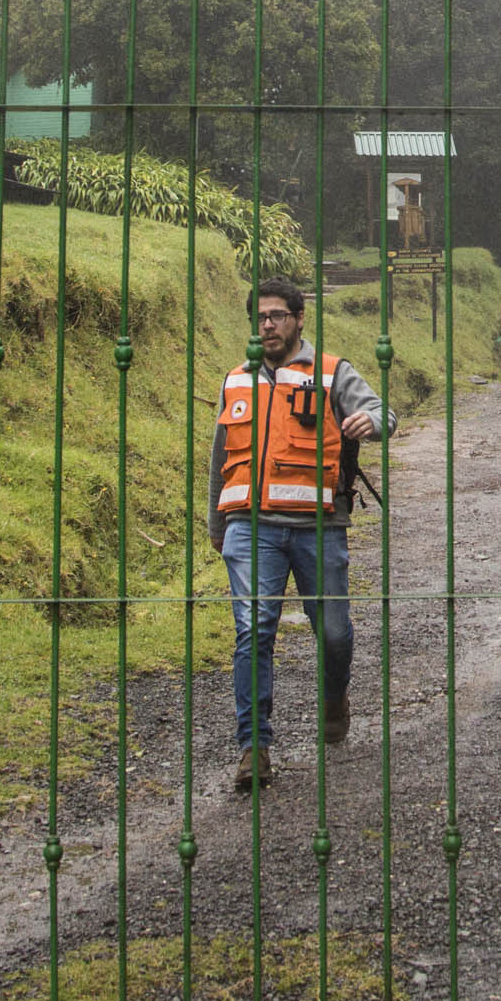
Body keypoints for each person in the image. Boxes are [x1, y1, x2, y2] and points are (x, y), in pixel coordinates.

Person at [210, 276, 391, 792]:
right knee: (254, 631)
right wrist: (216, 524)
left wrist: (367, 424)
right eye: (259, 317)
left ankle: (334, 696)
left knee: (333, 633)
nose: (267, 325)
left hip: (318, 527)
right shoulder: (236, 380)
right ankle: (254, 749)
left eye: (276, 316)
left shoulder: (333, 373)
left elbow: (384, 413)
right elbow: (218, 458)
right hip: (250, 526)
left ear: (297, 319)